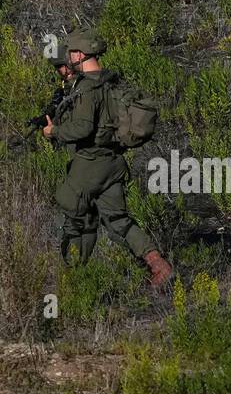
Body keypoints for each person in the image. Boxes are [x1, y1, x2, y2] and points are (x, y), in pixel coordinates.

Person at [43, 30, 173, 288]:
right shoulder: (110, 80)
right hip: (113, 162)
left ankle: (73, 279)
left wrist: (54, 131)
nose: (67, 59)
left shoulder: (86, 88)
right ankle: (159, 266)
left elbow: (82, 128)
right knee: (118, 221)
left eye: (70, 53)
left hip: (91, 161)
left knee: (73, 210)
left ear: (79, 54)